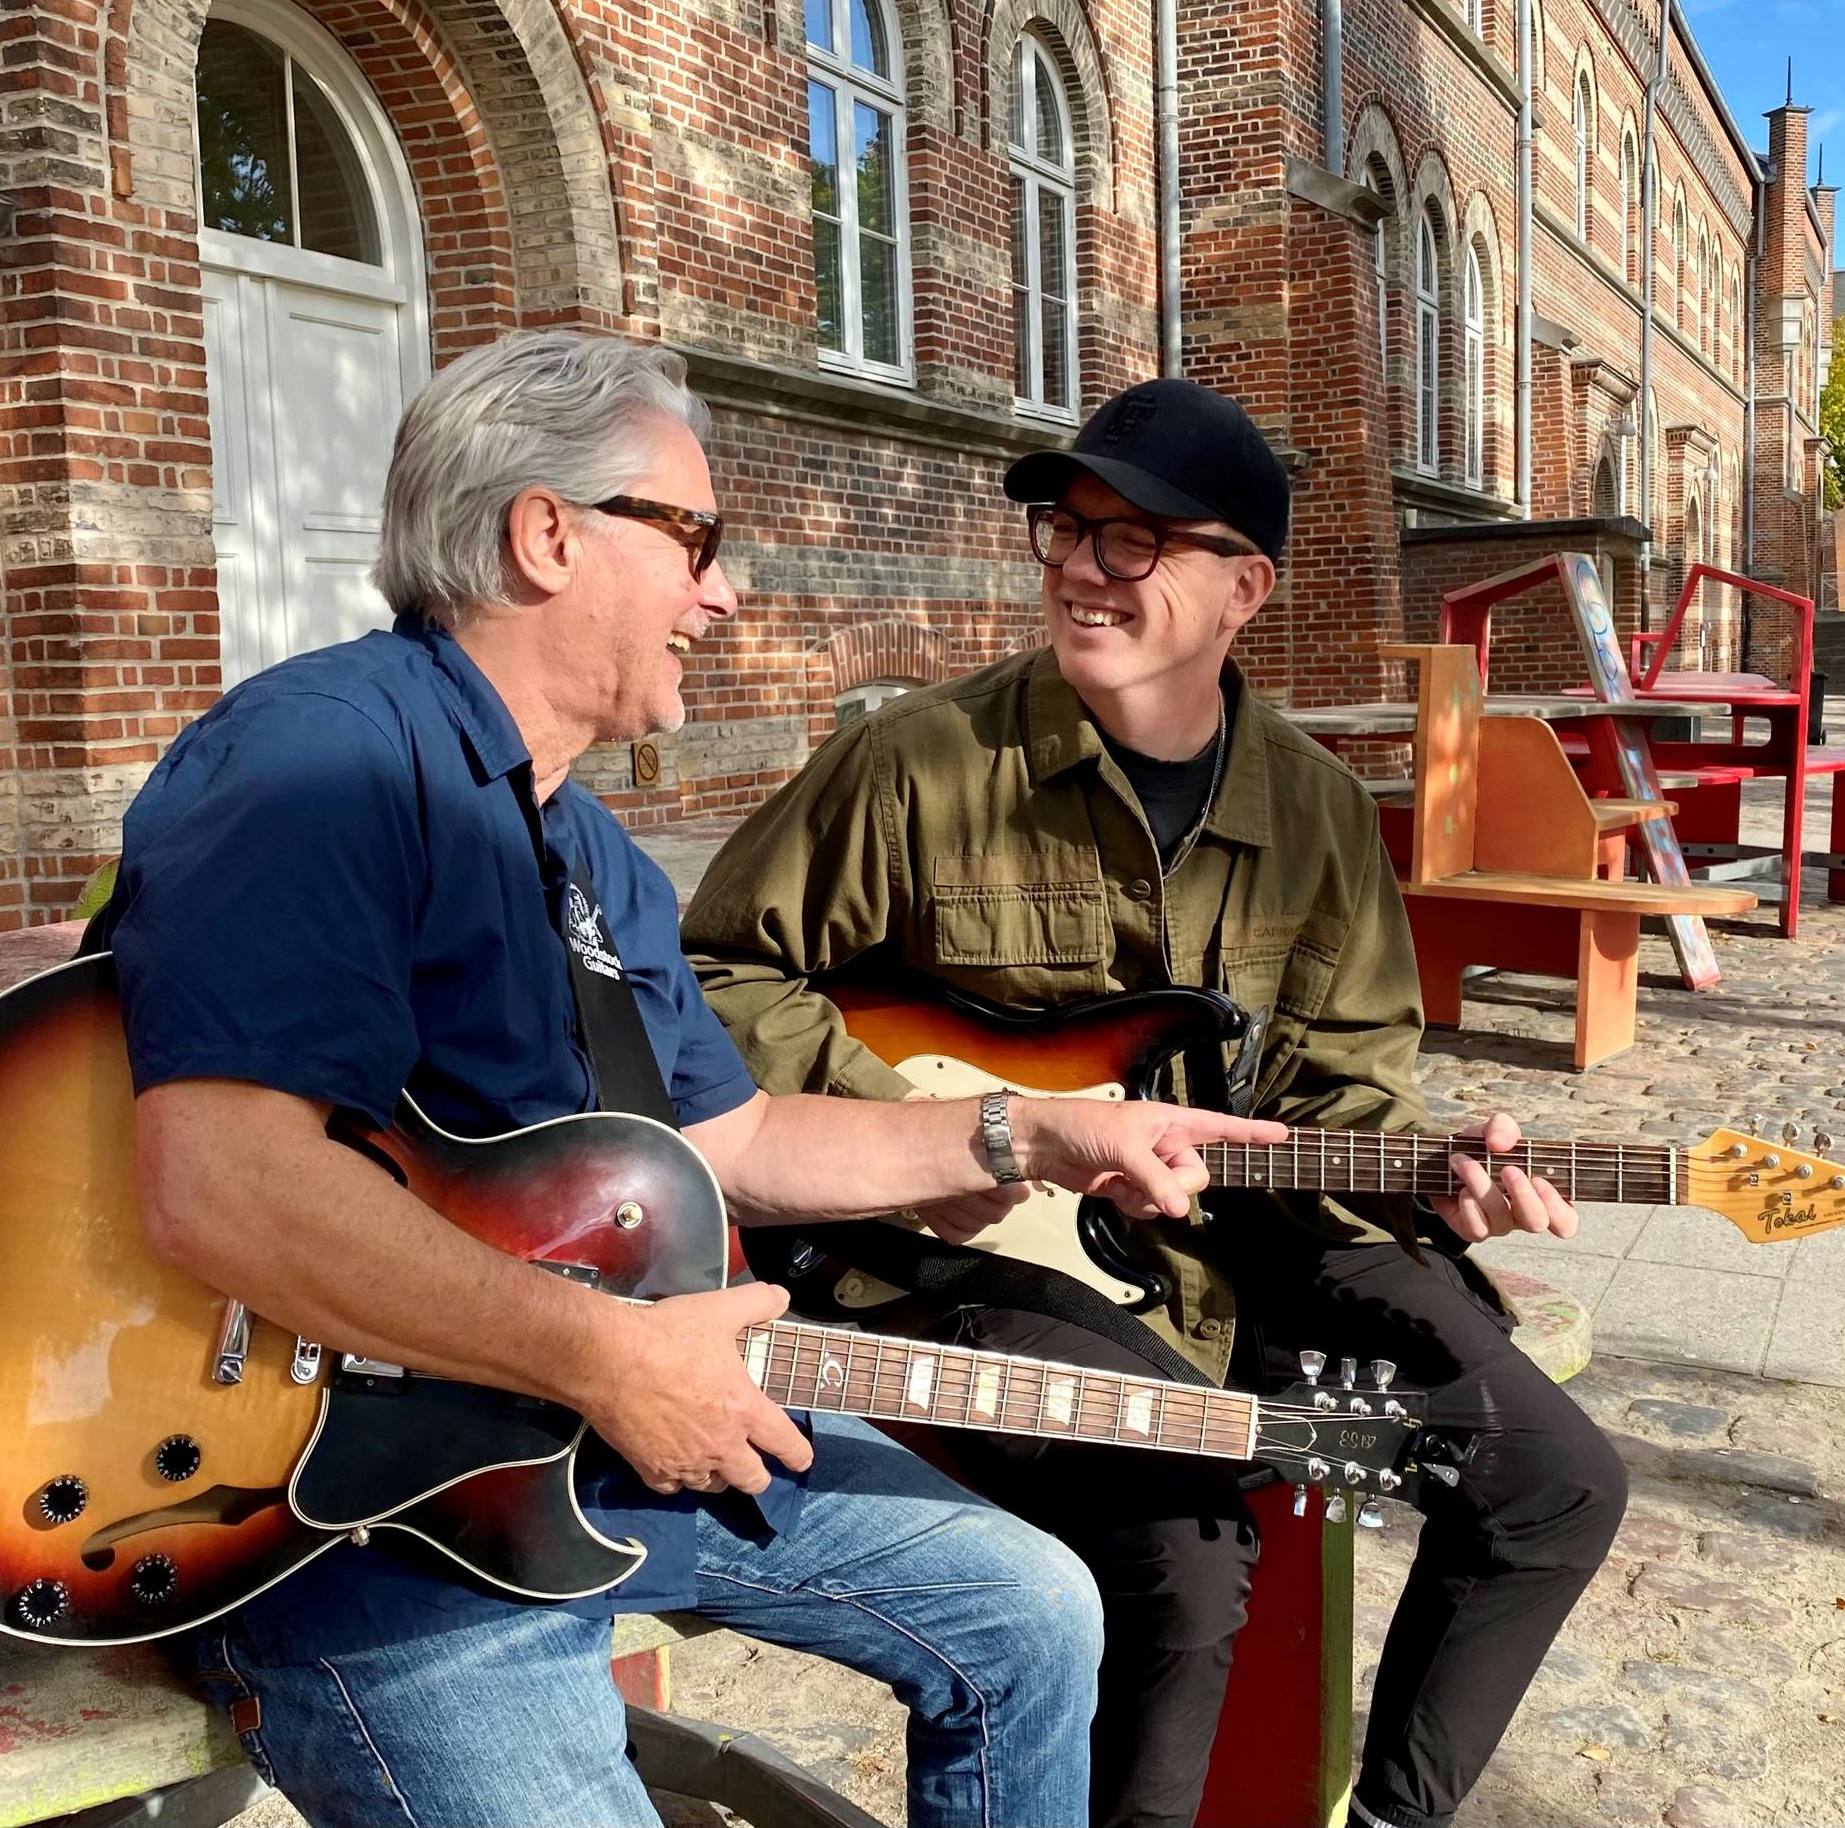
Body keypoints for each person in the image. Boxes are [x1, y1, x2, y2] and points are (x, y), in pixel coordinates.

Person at [95, 332, 1288, 1828]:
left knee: (1030, 1607)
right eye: (696, 543)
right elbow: (221, 1182)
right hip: (341, 1517)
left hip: (576, 1442)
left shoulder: (585, 848)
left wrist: (1027, 1130)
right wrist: (602, 1357)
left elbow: (737, 1133)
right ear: (545, 535)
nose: (723, 595)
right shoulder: (322, 761)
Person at [683, 377, 1627, 1828]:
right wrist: (932, 1131)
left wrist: (1420, 1176)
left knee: (1556, 1480)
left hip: (1242, 1213)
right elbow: (718, 971)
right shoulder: (922, 762)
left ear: (1246, 584)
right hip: (979, 1233)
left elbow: (1343, 1090)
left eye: (1132, 543)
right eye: (1068, 531)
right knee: (1186, 1544)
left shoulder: (1314, 808)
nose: (1078, 567)